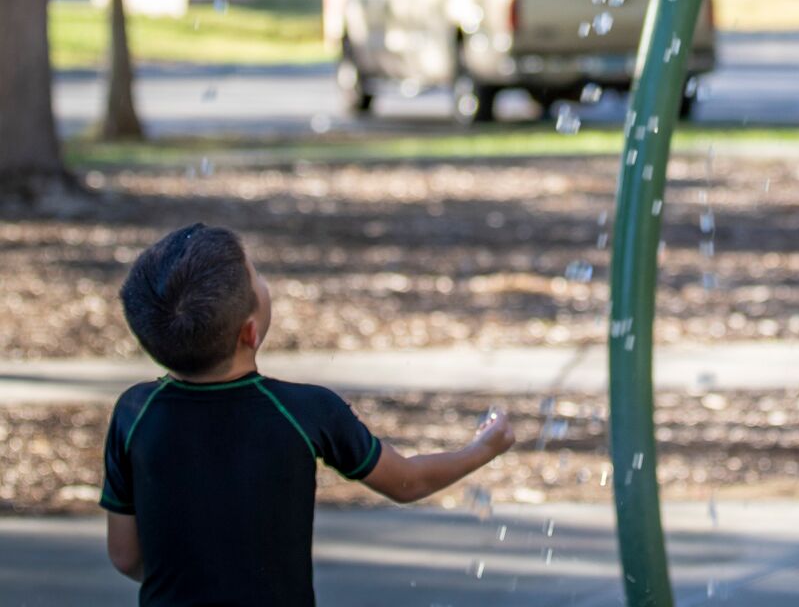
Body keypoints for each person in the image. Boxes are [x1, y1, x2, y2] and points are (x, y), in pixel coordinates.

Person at [101, 222, 515, 604]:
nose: (263, 280)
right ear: (250, 331)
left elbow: (125, 556)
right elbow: (406, 482)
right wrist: (483, 448)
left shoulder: (135, 414)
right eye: (257, 275)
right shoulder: (304, 411)